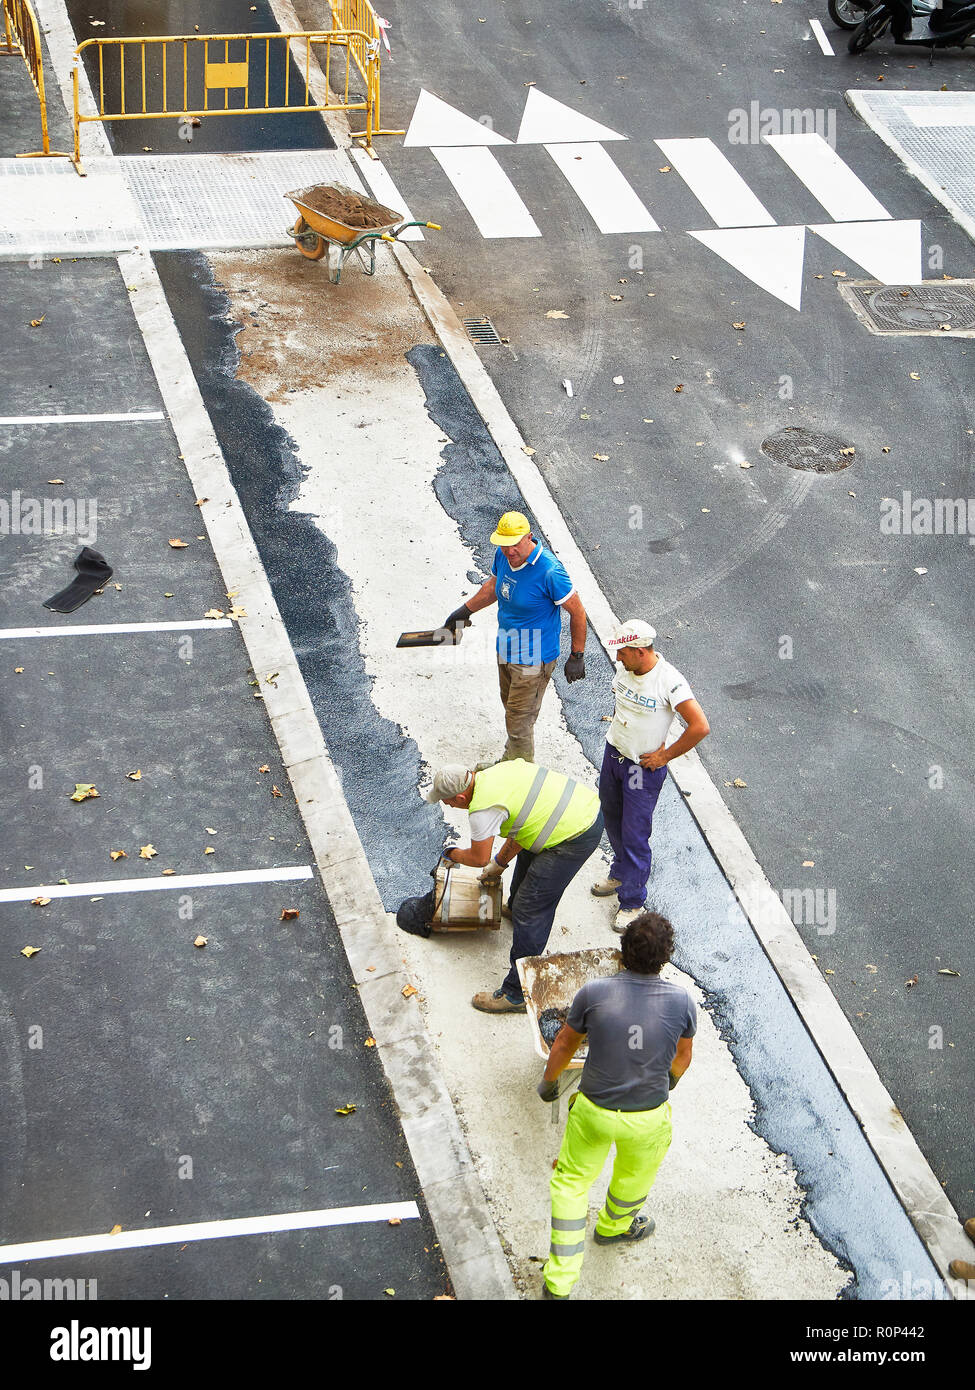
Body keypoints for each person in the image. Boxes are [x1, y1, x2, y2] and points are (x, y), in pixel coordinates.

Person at [537, 911, 696, 1299]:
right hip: (647, 1117)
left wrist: (549, 1082)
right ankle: (613, 1228)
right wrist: (667, 1083)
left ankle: (558, 1282)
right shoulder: (681, 1002)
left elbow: (563, 1044)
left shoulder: (594, 993)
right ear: (665, 957)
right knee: (633, 1178)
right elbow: (682, 1056)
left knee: (572, 1184)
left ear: (622, 952)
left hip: (594, 1110)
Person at [424, 760, 603, 1013]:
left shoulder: (483, 809)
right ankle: (513, 908)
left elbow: (477, 858)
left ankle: (516, 994)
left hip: (576, 834)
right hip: (578, 809)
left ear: (461, 796)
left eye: (447, 801)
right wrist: (500, 863)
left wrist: (451, 853)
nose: (447, 805)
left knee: (532, 907)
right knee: (528, 860)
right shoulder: (496, 773)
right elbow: (524, 825)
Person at [594, 619, 710, 933]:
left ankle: (632, 900)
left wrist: (664, 755)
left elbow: (700, 726)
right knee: (612, 819)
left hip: (639, 770)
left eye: (623, 653)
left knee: (634, 833)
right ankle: (620, 871)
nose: (618, 658)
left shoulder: (669, 681)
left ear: (641, 651)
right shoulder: (625, 669)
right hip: (613, 754)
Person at [443, 512, 588, 762]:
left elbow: (578, 612)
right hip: (506, 646)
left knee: (519, 723)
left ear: (529, 538)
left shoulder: (550, 572)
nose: (509, 551)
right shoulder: (503, 555)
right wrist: (463, 611)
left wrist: (577, 655)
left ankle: (520, 775)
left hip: (533, 658)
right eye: (504, 545)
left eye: (514, 545)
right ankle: (511, 762)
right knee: (512, 711)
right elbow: (493, 587)